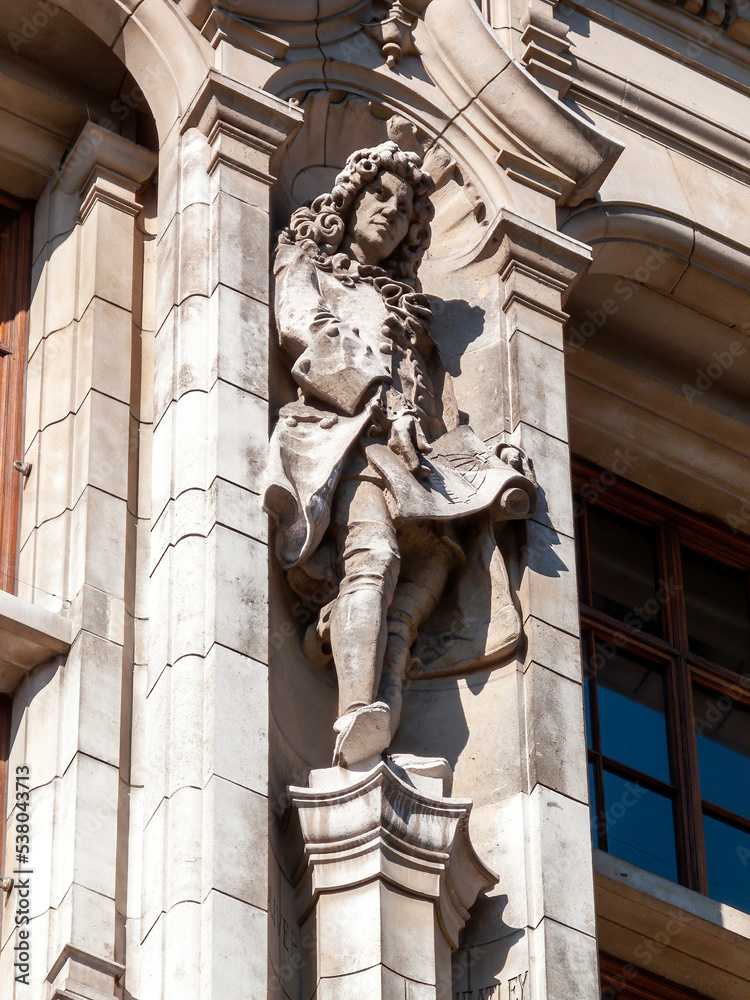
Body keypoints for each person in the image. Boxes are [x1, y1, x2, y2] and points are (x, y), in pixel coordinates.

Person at [264, 141, 536, 767]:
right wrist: (379, 396)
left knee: (425, 580)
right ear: (350, 202)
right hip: (351, 442)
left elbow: (435, 408)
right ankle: (355, 704)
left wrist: (488, 458)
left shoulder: (406, 313)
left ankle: (379, 712)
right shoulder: (309, 261)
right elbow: (302, 326)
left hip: (415, 461)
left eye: (405, 207)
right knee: (374, 556)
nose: (390, 212)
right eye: (378, 196)